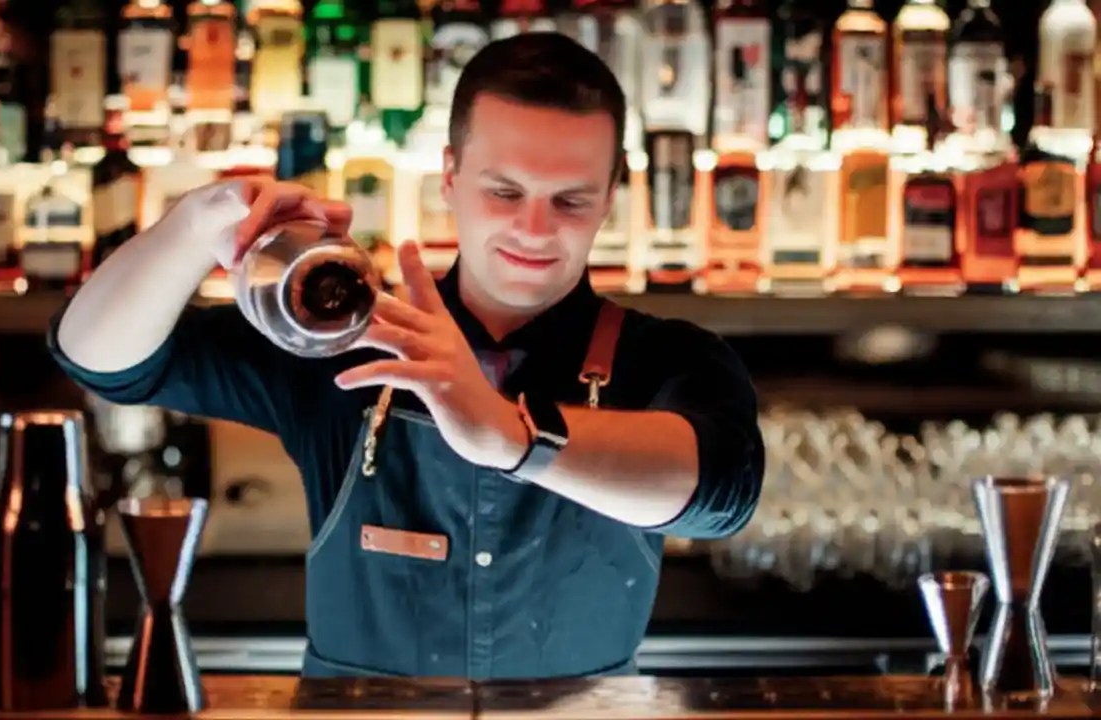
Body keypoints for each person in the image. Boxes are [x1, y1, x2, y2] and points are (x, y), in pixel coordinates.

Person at [49, 33, 764, 680]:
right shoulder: (341, 338)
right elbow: (101, 359)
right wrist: (197, 223)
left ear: (611, 196)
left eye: (570, 201)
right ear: (449, 175)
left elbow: (722, 493)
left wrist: (510, 436)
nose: (534, 228)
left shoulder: (666, 357)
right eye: (505, 191)